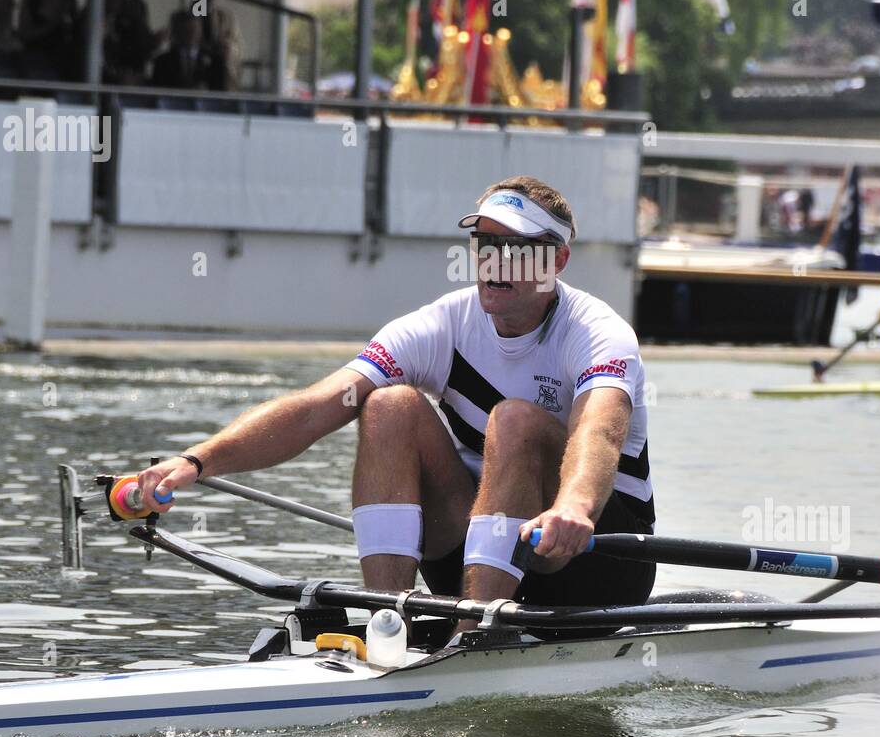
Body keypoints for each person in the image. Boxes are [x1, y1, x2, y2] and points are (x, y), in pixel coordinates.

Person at [133, 176, 656, 619]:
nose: (496, 261)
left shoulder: (598, 333)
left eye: (517, 248)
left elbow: (599, 432)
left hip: (592, 561)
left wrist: (573, 506)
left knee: (515, 420)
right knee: (388, 405)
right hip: (478, 554)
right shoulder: (441, 325)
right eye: (485, 245)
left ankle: (474, 636)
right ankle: (387, 619)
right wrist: (198, 460)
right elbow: (319, 406)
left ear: (558, 259)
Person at [104, 0, 159, 85]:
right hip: (118, 67)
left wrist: (153, 42)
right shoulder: (112, 1)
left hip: (136, 67)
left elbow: (141, 35)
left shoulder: (139, 4)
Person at [190, 0, 243, 90]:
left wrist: (227, 48)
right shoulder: (185, 17)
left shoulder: (226, 17)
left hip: (219, 75)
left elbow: (237, 45)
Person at [151, 11, 226, 90]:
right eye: (186, 30)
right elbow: (158, 90)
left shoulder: (215, 61)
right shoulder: (162, 61)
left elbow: (220, 91)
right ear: (177, 31)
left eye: (194, 29)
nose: (191, 34)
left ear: (200, 31)